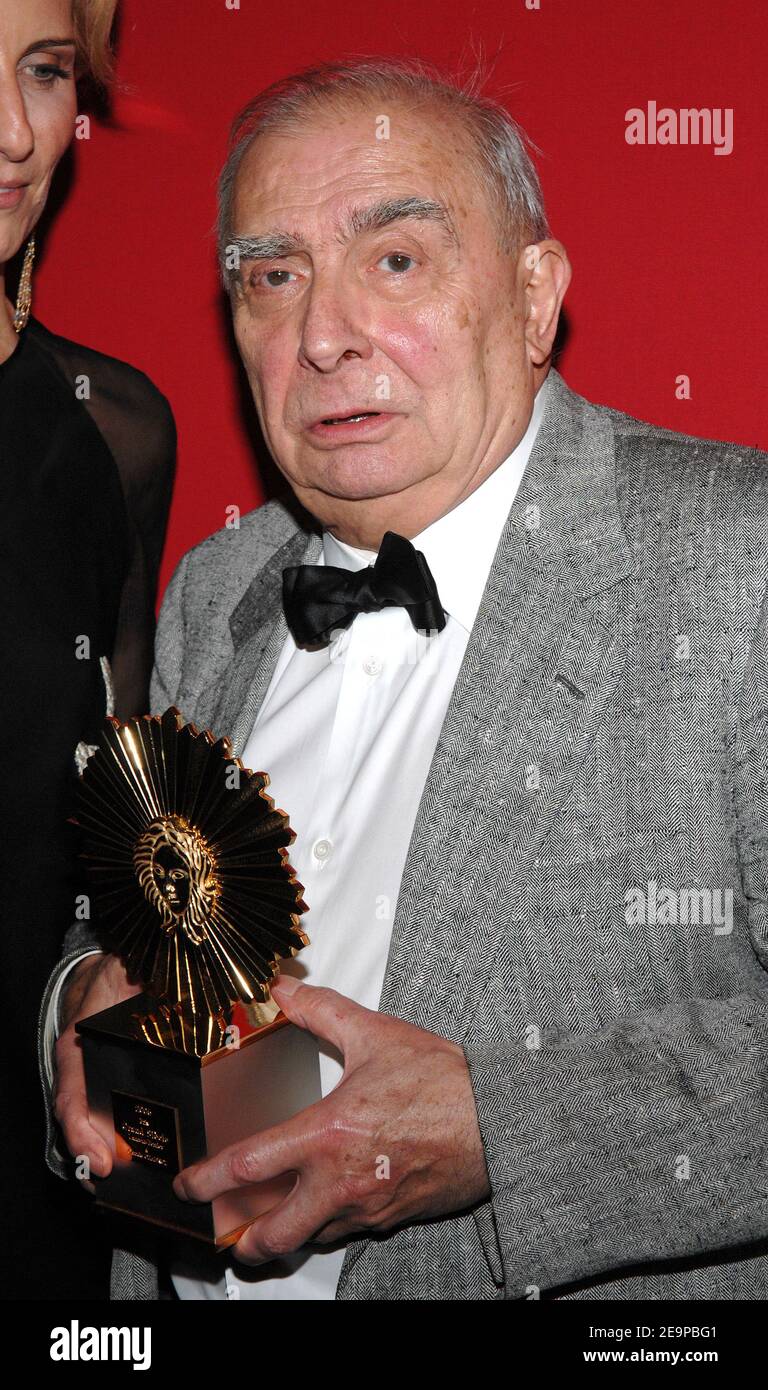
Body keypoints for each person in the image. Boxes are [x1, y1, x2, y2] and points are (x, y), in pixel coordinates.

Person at [43, 56, 768, 1301]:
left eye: (395, 260)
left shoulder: (736, 564)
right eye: (273, 277)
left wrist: (503, 1125)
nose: (323, 336)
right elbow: (111, 916)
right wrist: (80, 999)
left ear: (536, 299)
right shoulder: (216, 591)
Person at [0, 0, 175, 1298]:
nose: (14, 136)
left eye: (44, 74)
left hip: (36, 1169)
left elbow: (110, 843)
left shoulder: (114, 434)